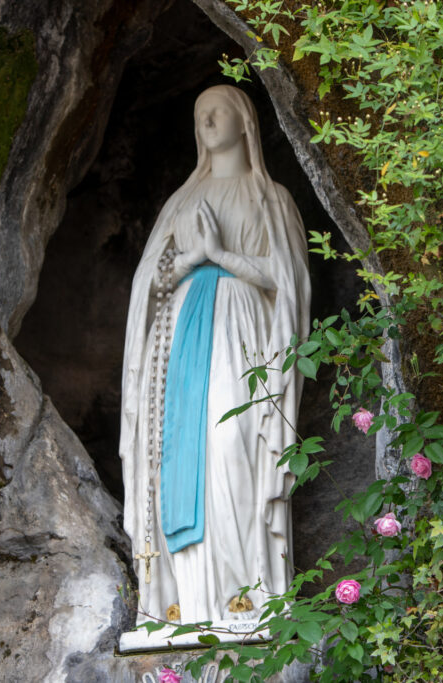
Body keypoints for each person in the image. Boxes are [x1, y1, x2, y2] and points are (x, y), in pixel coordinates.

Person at [119, 85, 309, 626]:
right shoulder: (180, 203)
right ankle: (187, 606)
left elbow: (287, 282)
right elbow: (147, 287)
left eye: (217, 110)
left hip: (241, 334)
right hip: (180, 341)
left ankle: (246, 594)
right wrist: (190, 262)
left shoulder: (270, 200)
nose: (205, 119)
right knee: (177, 455)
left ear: (245, 120)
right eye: (199, 113)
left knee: (233, 448)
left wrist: (221, 256)